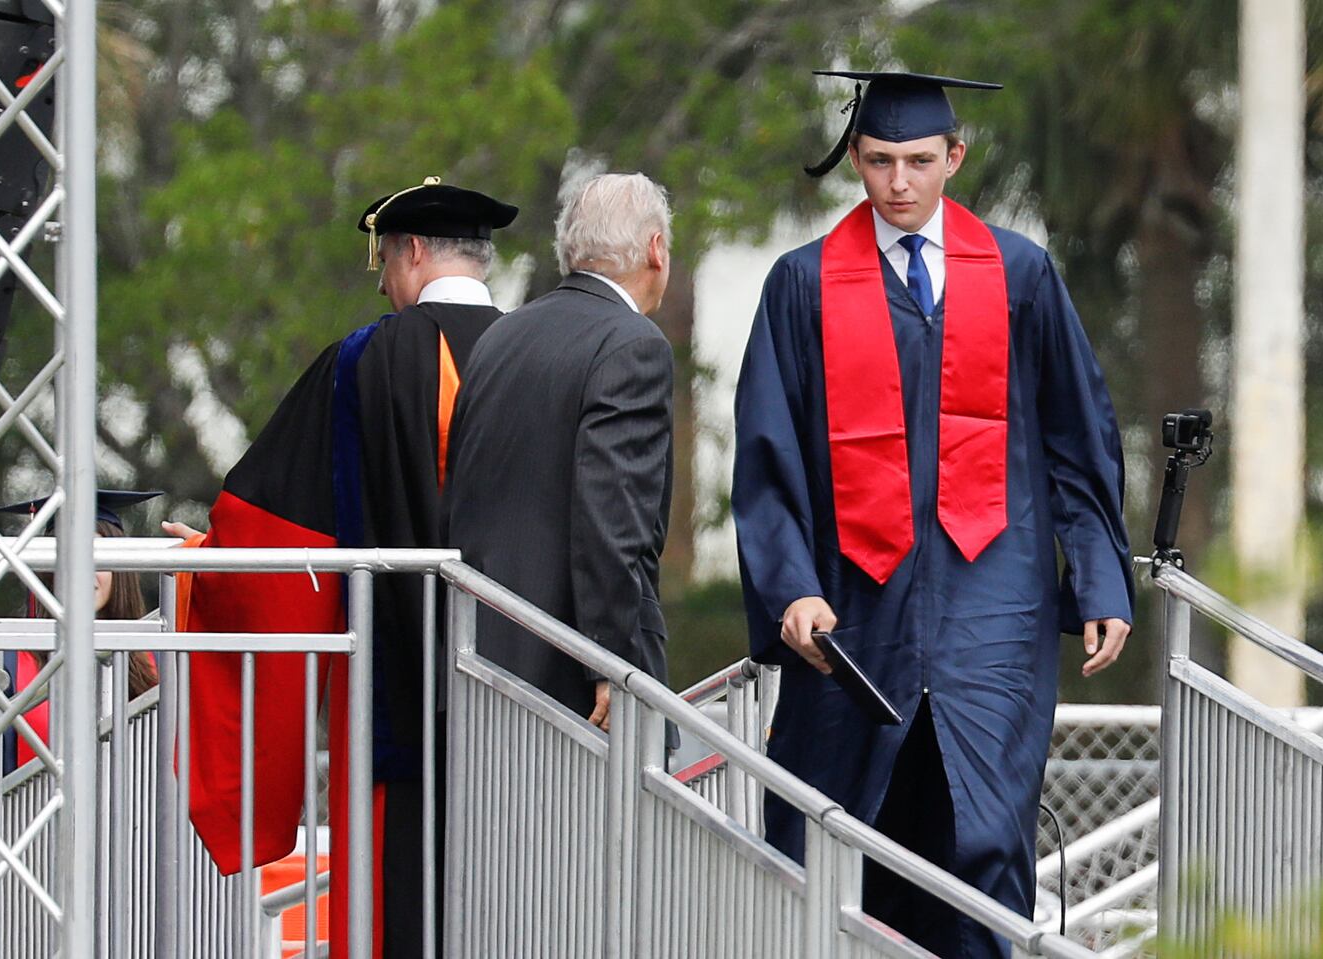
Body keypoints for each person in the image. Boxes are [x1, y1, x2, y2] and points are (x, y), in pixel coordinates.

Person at [731, 71, 1134, 958]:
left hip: (994, 606)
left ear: (955, 156)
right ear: (857, 164)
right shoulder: (802, 287)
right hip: (851, 612)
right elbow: (767, 454)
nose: (899, 183)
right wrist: (790, 585)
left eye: (919, 160)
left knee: (983, 836)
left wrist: (1101, 574)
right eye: (879, 162)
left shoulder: (1020, 275)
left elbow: (1078, 437)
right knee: (838, 842)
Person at [167, 177, 516, 959]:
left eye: (386, 264)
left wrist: (202, 562)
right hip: (526, 695)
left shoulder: (364, 360)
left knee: (400, 909)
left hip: (393, 691)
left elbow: (277, 530)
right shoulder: (536, 349)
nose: (386, 286)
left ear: (415, 251)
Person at [445, 172, 674, 733]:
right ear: (656, 250)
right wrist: (612, 660)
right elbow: (611, 518)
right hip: (577, 684)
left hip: (481, 657)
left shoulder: (500, 336)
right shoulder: (634, 346)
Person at [0, 489, 162, 771]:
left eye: (98, 556)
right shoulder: (8, 667)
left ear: (121, 569)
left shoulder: (161, 660)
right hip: (34, 813)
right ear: (50, 573)